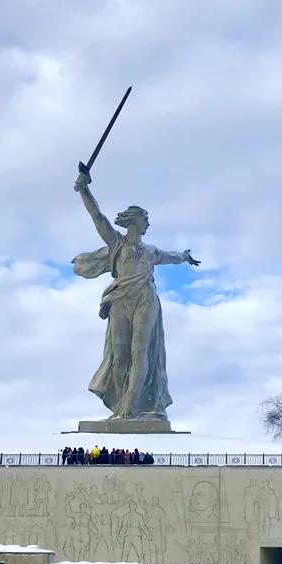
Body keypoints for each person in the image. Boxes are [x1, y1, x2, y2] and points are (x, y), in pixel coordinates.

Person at [72, 169, 200, 422]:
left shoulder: (151, 251)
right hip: (121, 298)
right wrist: (84, 189)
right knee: (120, 355)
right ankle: (121, 407)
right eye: (146, 219)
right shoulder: (117, 243)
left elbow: (172, 256)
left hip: (145, 299)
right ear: (134, 221)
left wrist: (185, 257)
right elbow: (97, 217)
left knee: (140, 353)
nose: (148, 224)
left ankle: (130, 409)